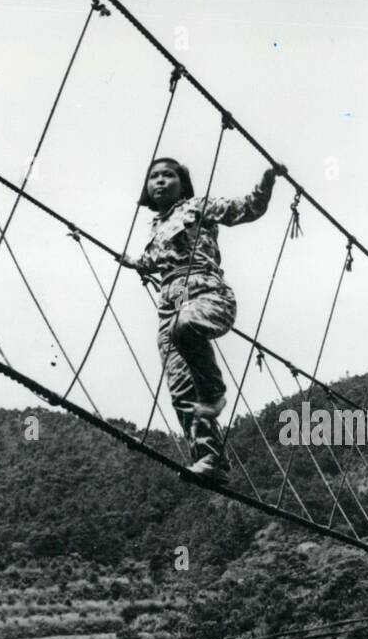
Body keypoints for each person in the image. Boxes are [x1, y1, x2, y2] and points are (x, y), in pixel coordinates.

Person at [117, 157, 286, 484]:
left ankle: (214, 391)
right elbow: (151, 262)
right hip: (168, 303)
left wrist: (267, 181)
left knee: (186, 327)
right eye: (154, 177)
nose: (160, 181)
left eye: (168, 175)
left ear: (182, 183)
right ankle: (210, 459)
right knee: (181, 390)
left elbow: (247, 208)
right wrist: (134, 262)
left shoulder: (199, 206)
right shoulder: (155, 229)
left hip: (207, 292)